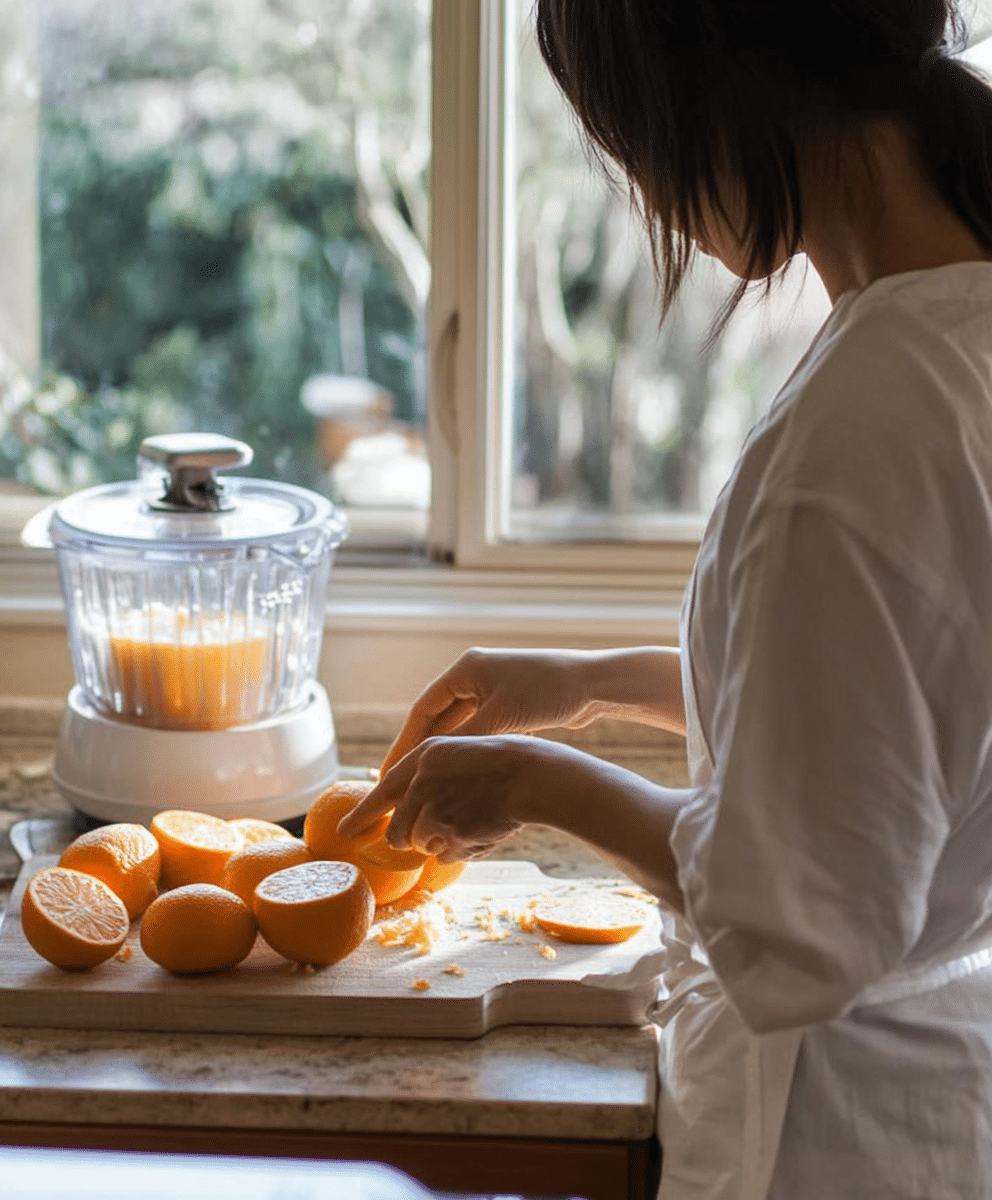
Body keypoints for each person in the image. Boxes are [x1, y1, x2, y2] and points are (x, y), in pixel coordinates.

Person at [339, 1, 992, 1195]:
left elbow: (794, 922)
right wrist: (592, 685)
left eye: (628, 141)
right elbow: (875, 732)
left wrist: (534, 784)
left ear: (714, 90)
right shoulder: (952, 331)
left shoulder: (856, 438)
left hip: (822, 1139)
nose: (645, 189)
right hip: (936, 1092)